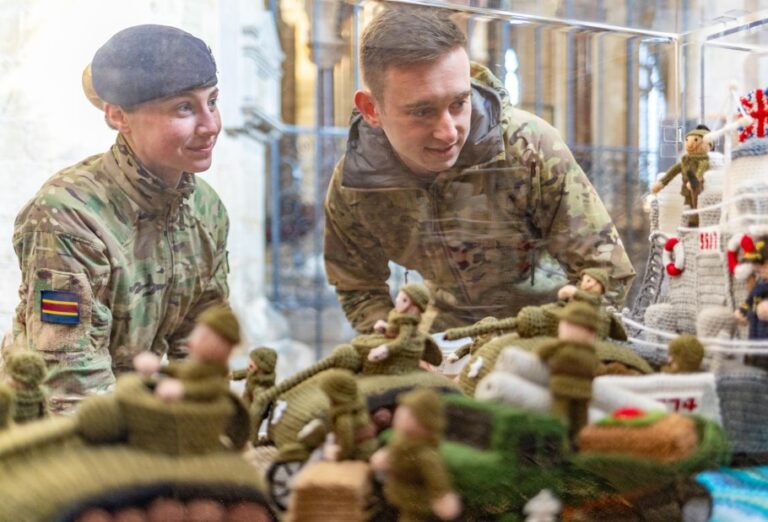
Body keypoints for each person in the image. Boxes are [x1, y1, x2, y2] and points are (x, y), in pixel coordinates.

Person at [324, 7, 635, 334]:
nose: (448, 132)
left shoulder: (527, 147)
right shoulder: (356, 185)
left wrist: (561, 341)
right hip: (445, 339)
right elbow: (358, 287)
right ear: (372, 109)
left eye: (459, 103)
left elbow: (606, 271)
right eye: (422, 111)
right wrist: (401, 345)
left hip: (546, 331)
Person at [4, 24, 229, 413]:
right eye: (183, 108)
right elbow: (69, 379)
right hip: (42, 430)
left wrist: (201, 419)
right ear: (118, 116)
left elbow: (199, 343)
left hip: (136, 410)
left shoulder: (205, 208)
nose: (210, 125)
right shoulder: (69, 215)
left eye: (212, 101)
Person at [370, 388, 461, 521]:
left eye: (408, 414)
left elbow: (437, 479)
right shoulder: (402, 441)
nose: (400, 416)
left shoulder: (425, 454)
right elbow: (394, 453)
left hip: (416, 501)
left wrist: (442, 498)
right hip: (400, 495)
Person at [536, 301, 600, 440]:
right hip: (572, 390)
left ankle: (570, 442)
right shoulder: (587, 353)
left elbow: (541, 352)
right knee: (563, 418)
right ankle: (562, 442)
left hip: (574, 391)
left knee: (574, 420)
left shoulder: (563, 347)